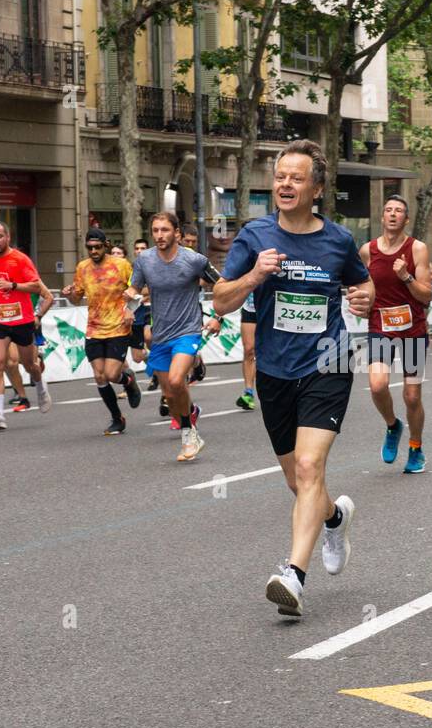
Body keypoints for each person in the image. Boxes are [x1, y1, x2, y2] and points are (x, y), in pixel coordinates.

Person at [213, 139, 373, 618]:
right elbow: (221, 300)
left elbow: (360, 282)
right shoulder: (255, 237)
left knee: (309, 467)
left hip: (329, 360)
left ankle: (293, 576)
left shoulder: (338, 240)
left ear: (317, 188)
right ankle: (335, 518)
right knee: (297, 480)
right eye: (280, 176)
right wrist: (253, 278)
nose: (284, 184)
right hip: (275, 369)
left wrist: (362, 299)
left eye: (296, 178)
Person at [130, 212, 220, 462]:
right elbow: (134, 289)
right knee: (169, 395)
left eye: (165, 230)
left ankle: (188, 434)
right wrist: (126, 306)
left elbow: (222, 285)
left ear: (177, 233)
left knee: (177, 379)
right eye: (155, 230)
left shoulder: (194, 260)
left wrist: (218, 316)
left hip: (188, 330)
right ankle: (191, 415)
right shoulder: (144, 260)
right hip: (160, 334)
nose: (159, 235)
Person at [360, 194, 431, 474]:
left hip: (413, 329)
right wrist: (361, 301)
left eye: (398, 211)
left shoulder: (417, 249)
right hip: (380, 326)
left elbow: (427, 295)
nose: (392, 214)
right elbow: (362, 286)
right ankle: (393, 425)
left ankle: (415, 447)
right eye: (388, 210)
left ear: (406, 219)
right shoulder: (368, 250)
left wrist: (406, 276)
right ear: (382, 217)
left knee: (412, 396)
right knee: (377, 385)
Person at [62, 227, 141, 435]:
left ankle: (129, 381)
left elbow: (139, 289)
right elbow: (77, 298)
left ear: (105, 245)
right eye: (90, 248)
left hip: (118, 327)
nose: (94, 251)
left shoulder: (121, 265)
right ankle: (117, 418)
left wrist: (129, 310)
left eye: (97, 247)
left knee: (112, 374)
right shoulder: (82, 268)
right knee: (99, 377)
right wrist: (70, 294)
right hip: (94, 328)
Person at [0, 222, 52, 429]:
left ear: (8, 237)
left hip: (22, 320)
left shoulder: (20, 259)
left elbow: (36, 285)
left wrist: (13, 285)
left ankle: (41, 388)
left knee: (30, 365)